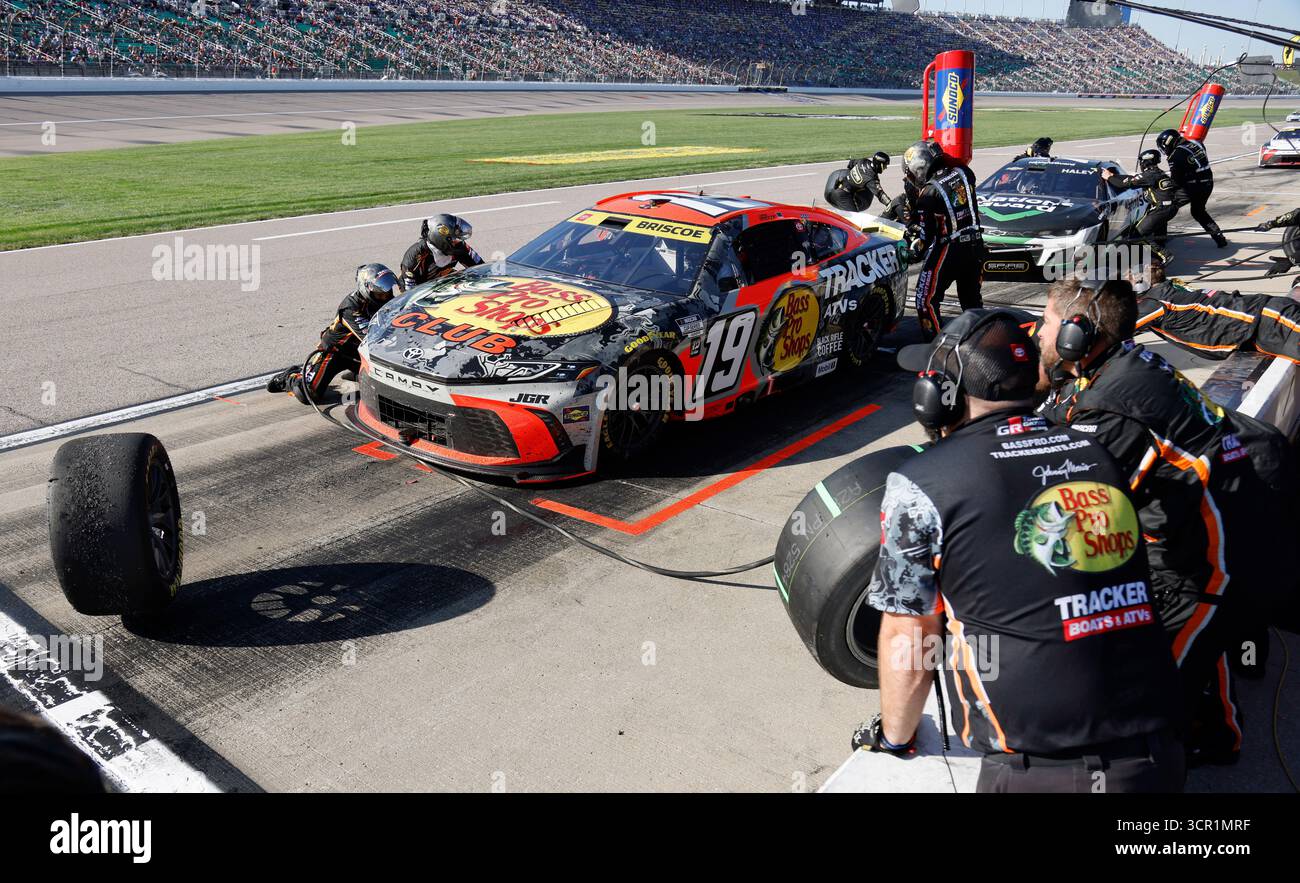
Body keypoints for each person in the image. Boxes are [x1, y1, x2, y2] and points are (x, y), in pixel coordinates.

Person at [855, 309, 1184, 793]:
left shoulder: (921, 484)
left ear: (937, 398)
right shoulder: (1098, 455)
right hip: (1160, 751)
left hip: (1041, 772)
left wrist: (895, 736)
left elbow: (909, 632)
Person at [1036, 279, 1297, 766]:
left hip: (1210, 560)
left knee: (1158, 667)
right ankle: (1220, 730)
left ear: (1077, 336)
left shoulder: (1111, 406)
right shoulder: (1123, 364)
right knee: (1207, 640)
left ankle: (1187, 748)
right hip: (1233, 519)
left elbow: (1086, 511)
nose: (1038, 334)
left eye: (1048, 324)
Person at [267, 263, 400, 404]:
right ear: (366, 288)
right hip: (335, 352)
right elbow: (372, 339)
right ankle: (291, 376)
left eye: (387, 289)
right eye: (380, 291)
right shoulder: (351, 307)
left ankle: (358, 373)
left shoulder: (389, 302)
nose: (385, 295)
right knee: (307, 393)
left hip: (357, 353)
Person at [1132, 254, 1300, 364]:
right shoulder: (1172, 287)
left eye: (1128, 278)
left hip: (1270, 321)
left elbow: (1113, 330)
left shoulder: (1155, 302)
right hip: (1263, 326)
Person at [904, 139, 984, 341]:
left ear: (919, 168)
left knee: (925, 300)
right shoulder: (965, 174)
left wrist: (912, 253)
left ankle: (937, 348)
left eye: (910, 173)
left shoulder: (928, 194)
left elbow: (925, 237)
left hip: (950, 249)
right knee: (972, 301)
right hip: (976, 246)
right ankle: (980, 342)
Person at [1101, 149, 1178, 264]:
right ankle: (1156, 256)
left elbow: (1124, 184)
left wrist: (1109, 178)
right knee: (1158, 234)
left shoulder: (1150, 175)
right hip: (1168, 208)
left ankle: (1165, 255)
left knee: (1137, 235)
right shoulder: (1157, 173)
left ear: (1145, 162)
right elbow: (1132, 179)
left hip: (1161, 209)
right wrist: (1114, 175)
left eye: (1141, 162)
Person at [1157, 128, 1227, 248]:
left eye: (1163, 146)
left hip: (1193, 187)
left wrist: (1162, 185)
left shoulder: (1175, 156)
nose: (1164, 150)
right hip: (1208, 184)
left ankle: (1159, 240)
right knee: (1198, 212)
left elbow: (1176, 181)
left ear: (1169, 143)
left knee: (1163, 207)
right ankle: (1219, 238)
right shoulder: (1196, 144)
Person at [400, 213, 483, 289]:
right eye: (454, 239)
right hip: (420, 289)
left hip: (442, 280)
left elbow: (481, 268)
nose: (458, 242)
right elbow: (409, 293)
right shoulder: (415, 255)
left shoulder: (459, 247)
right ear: (441, 238)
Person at [823, 151, 890, 213]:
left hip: (837, 186)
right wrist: (890, 204)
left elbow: (851, 163)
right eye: (884, 165)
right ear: (879, 164)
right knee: (853, 219)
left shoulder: (864, 161)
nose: (885, 167)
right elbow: (880, 194)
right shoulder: (871, 178)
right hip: (843, 196)